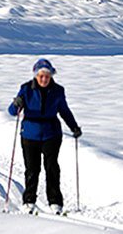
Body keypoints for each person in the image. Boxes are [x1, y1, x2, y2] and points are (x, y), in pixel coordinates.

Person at [8, 58, 81, 215]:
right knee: (32, 169)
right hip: (30, 134)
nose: (44, 79)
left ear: (51, 76)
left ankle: (55, 202)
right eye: (41, 75)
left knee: (52, 168)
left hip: (51, 134)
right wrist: (17, 103)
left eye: (47, 76)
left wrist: (74, 127)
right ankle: (29, 201)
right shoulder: (26, 89)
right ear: (36, 75)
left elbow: (64, 111)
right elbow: (12, 112)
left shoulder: (58, 91)